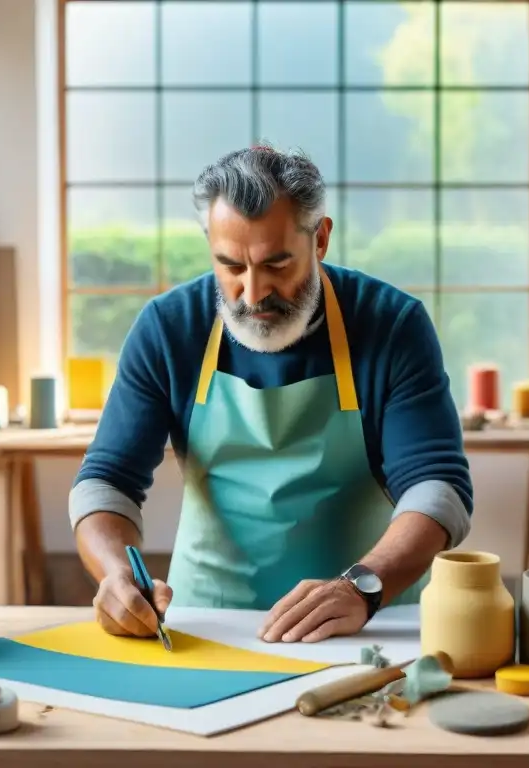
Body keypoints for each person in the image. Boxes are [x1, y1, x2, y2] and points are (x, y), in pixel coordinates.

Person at [70, 146, 473, 644]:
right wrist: (114, 571)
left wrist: (363, 587)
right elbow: (106, 482)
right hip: (209, 626)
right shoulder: (169, 328)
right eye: (231, 266)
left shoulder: (392, 325)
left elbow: (438, 488)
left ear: (320, 239)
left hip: (365, 623)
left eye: (277, 265)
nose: (253, 292)